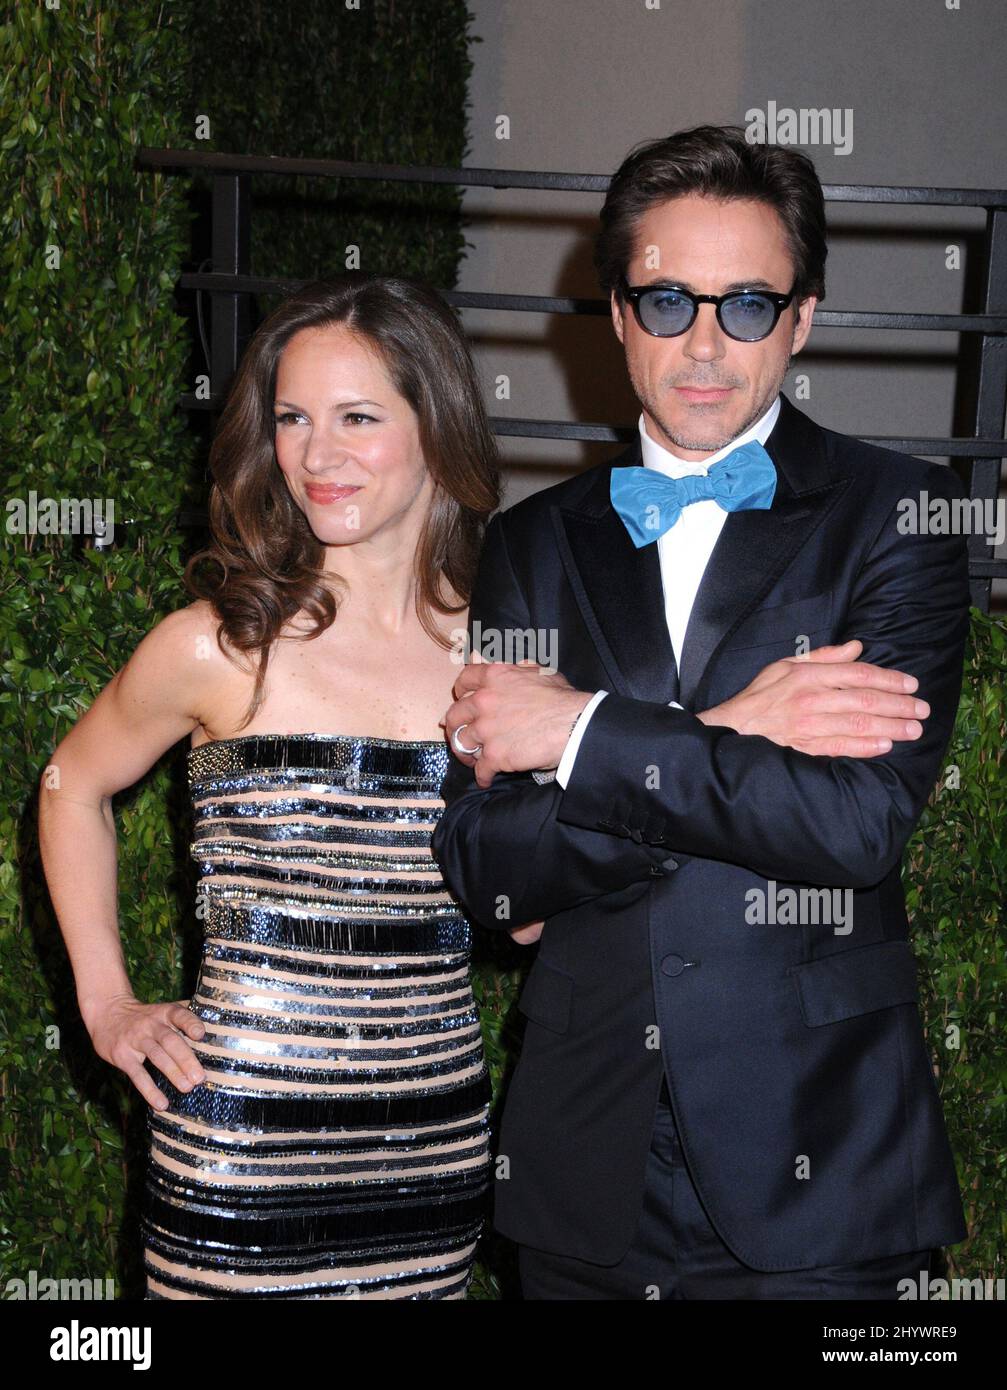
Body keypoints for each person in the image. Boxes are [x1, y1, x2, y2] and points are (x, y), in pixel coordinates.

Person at [432, 125, 971, 1299]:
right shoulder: (529, 542)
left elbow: (851, 828)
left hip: (825, 1169)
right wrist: (744, 724)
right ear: (616, 315)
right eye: (667, 300)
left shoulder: (898, 518)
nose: (704, 346)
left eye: (746, 305)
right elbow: (490, 868)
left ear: (802, 318)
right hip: (584, 1162)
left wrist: (579, 735)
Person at [38, 273, 505, 1299]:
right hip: (239, 1155)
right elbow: (71, 784)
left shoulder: (505, 655)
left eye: (356, 418)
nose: (315, 454)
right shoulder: (216, 646)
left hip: (427, 1148)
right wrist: (107, 1002)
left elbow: (541, 897)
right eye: (291, 418)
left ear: (439, 425)